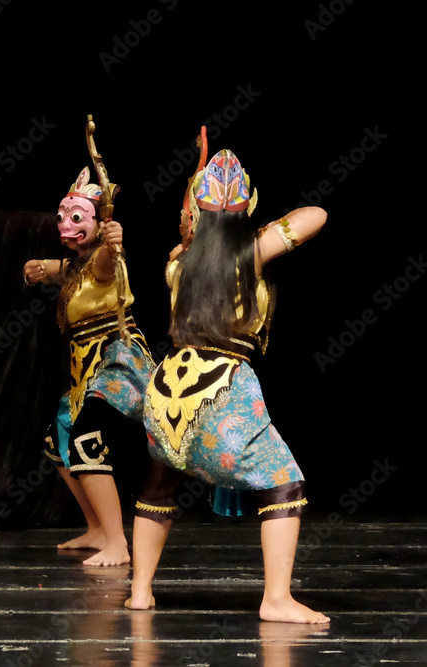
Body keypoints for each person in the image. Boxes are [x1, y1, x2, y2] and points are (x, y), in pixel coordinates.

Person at [126, 147, 330, 624]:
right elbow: (314, 215)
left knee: (159, 482)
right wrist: (258, 232)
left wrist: (197, 188)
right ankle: (276, 599)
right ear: (249, 204)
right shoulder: (252, 251)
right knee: (283, 483)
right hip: (223, 385)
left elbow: (189, 230)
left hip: (168, 385)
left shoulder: (178, 262)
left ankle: (139, 592)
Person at [23, 164, 154, 566]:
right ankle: (97, 528)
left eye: (78, 217)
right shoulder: (76, 266)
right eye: (63, 216)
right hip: (86, 369)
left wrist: (115, 244)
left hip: (118, 363)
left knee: (86, 438)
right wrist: (39, 269)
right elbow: (52, 271)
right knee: (57, 438)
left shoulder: (101, 261)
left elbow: (105, 265)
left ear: (100, 223)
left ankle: (118, 541)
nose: (66, 224)